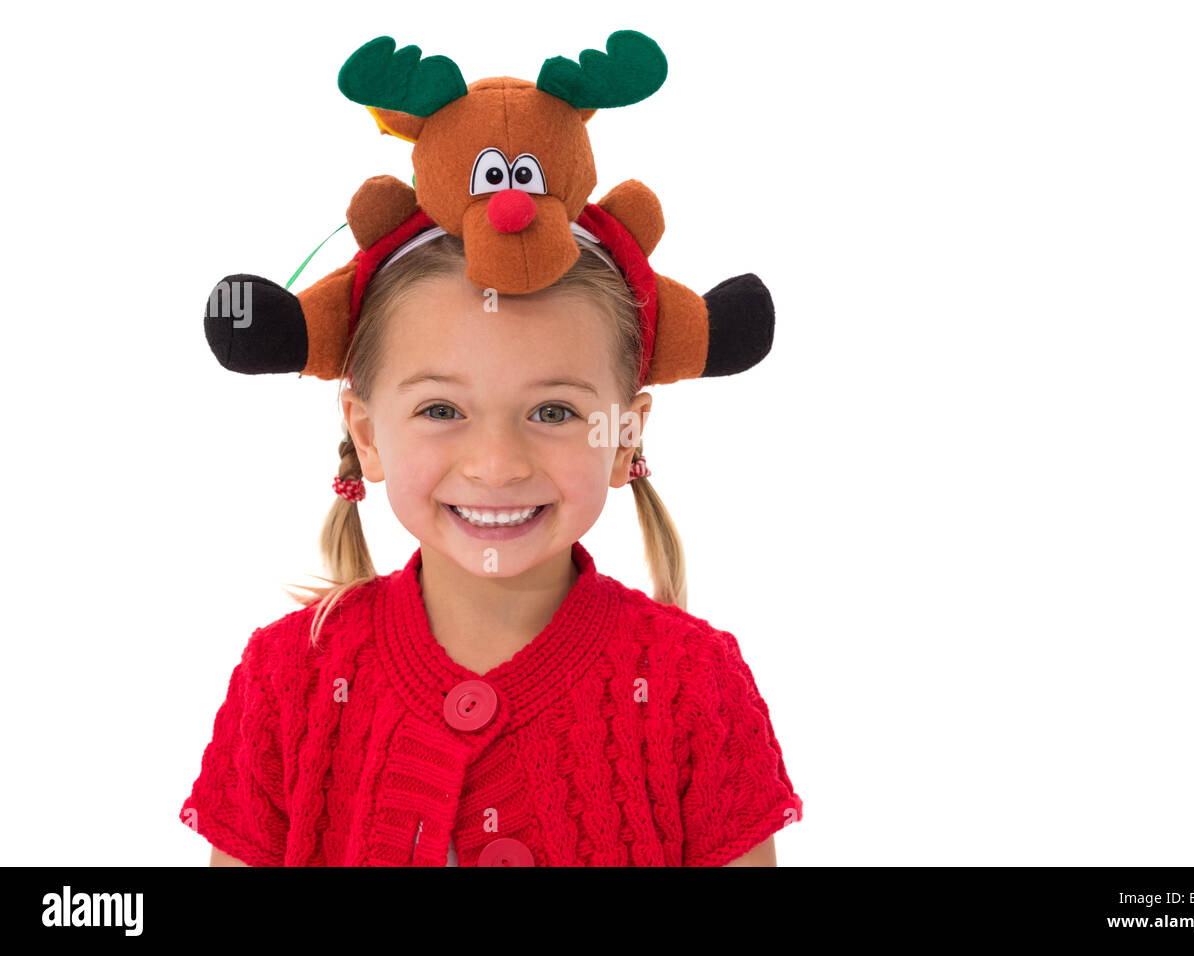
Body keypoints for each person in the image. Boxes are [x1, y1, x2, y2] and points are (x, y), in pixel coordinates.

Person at [179, 30, 802, 866]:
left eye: (552, 411)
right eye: (442, 408)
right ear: (366, 434)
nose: (498, 464)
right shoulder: (289, 678)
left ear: (626, 437)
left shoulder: (695, 687)